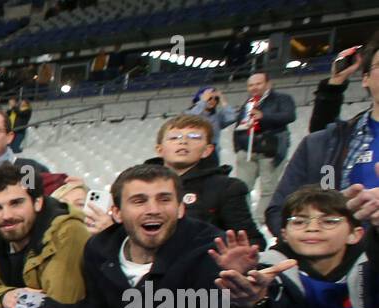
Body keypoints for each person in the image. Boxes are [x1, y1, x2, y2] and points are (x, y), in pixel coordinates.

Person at [41, 164, 243, 308]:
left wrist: (250, 296)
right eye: (139, 201)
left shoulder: (213, 248)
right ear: (116, 212)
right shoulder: (100, 248)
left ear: (180, 208)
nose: (153, 209)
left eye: (164, 199)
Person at [225, 186, 379, 308]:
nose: (312, 228)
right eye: (299, 221)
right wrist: (252, 304)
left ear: (355, 234)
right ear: (284, 234)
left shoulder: (370, 269)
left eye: (328, 221)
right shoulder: (269, 268)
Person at [266, 33, 379, 236]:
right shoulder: (322, 144)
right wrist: (316, 232)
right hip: (338, 262)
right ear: (365, 79)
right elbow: (279, 212)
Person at [0, 162, 88, 308]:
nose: (7, 216)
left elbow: (58, 307)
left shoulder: (68, 233)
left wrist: (16, 300)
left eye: (16, 203)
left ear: (37, 202)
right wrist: (4, 296)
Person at [148, 115, 264, 247]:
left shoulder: (227, 187)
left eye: (194, 137)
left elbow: (251, 241)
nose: (183, 141)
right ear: (159, 149)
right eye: (174, 137)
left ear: (207, 150)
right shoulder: (136, 185)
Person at [232, 71, 296, 226]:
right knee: (241, 187)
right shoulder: (248, 103)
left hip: (270, 150)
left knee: (268, 188)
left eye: (258, 84)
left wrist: (264, 116)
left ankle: (260, 221)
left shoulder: (283, 99)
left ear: (268, 84)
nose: (254, 88)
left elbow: (289, 116)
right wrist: (238, 147)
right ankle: (242, 220)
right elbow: (239, 125)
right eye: (250, 85)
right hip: (247, 150)